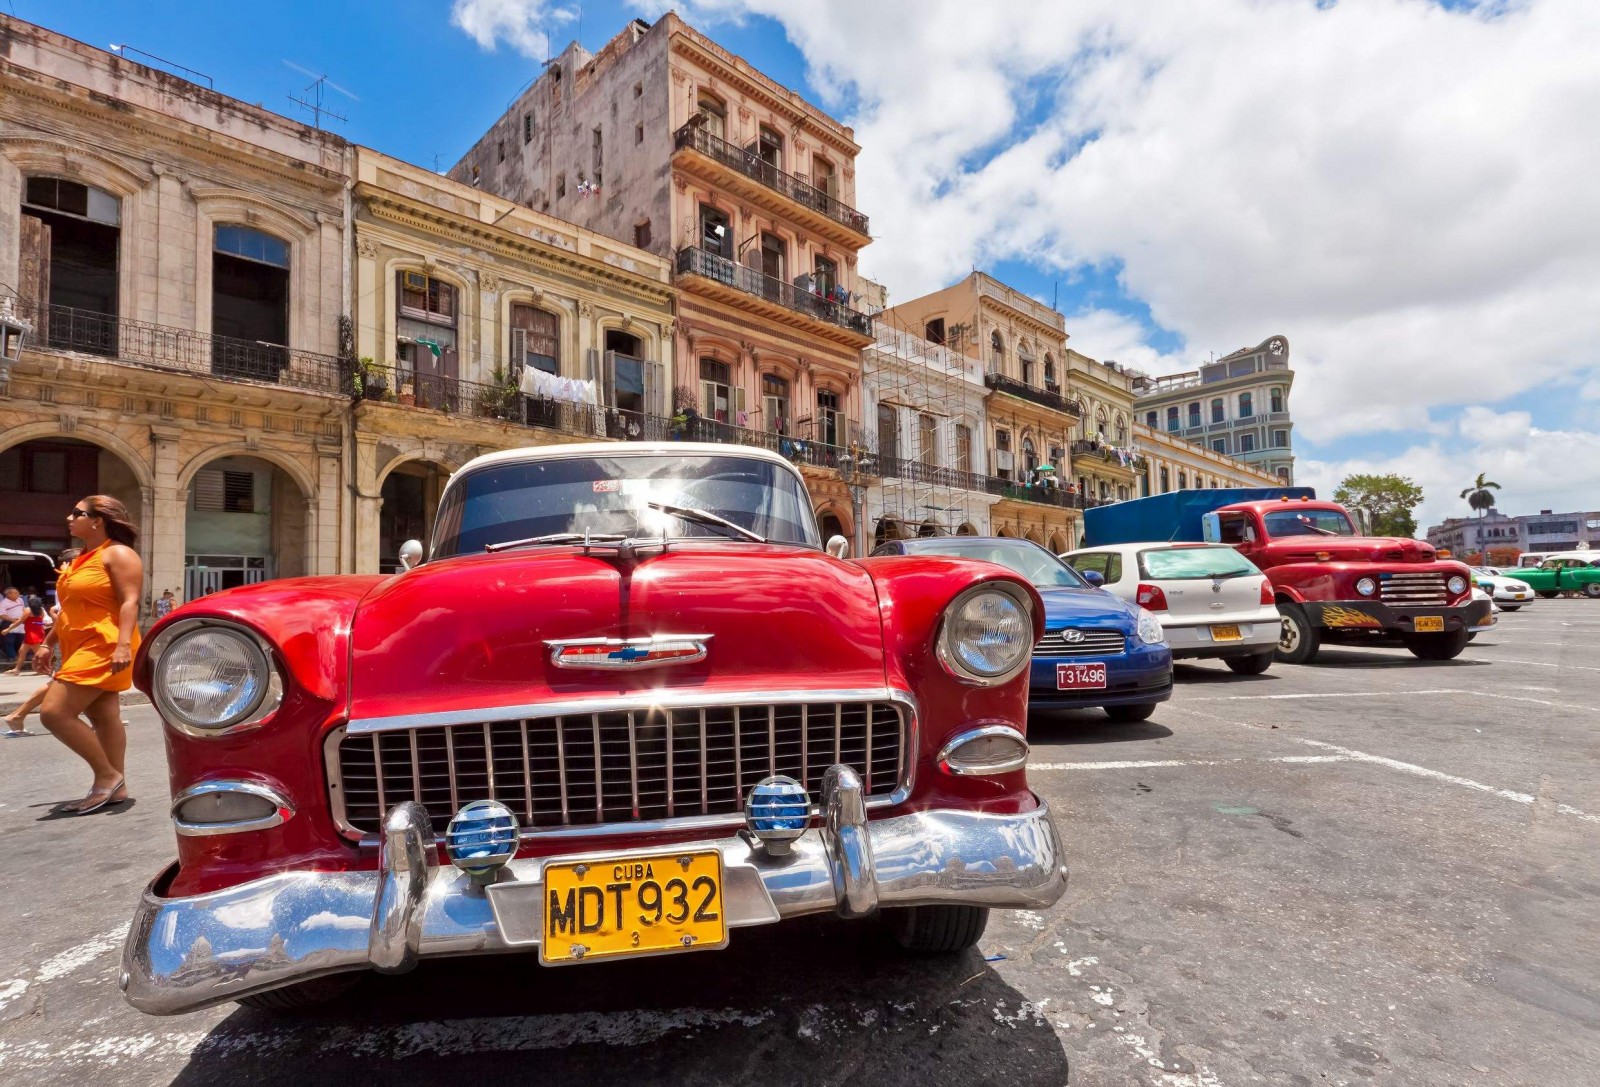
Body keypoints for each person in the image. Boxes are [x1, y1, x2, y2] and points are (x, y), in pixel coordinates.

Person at [38, 498, 143, 814]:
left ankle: (106, 776)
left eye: (78, 513)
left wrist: (123, 645)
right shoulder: (82, 558)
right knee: (103, 715)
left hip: (105, 643)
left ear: (98, 520)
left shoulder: (118, 554)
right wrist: (48, 643)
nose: (69, 517)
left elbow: (130, 602)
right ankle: (117, 786)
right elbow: (70, 609)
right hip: (78, 643)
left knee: (53, 712)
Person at [5, 550, 77, 738]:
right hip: (71, 640)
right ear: (71, 563)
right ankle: (18, 714)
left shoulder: (69, 583)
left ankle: (106, 719)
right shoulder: (69, 583)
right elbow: (63, 617)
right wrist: (47, 644)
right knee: (62, 680)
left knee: (82, 680)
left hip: (74, 639)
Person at [3, 596, 49, 676]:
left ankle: (45, 669)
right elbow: (37, 621)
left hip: (31, 634)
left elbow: (20, 621)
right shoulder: (40, 610)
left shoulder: (28, 610)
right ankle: (17, 669)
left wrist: (8, 629)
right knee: (22, 651)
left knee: (38, 654)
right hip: (36, 632)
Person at [0, 587, 24, 667]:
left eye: (18, 593)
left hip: (20, 622)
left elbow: (23, 610)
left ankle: (22, 656)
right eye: (16, 593)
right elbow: (2, 615)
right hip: (9, 622)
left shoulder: (20, 600)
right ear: (9, 594)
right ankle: (11, 656)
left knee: (21, 639)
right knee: (9, 640)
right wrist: (13, 620)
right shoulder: (4, 603)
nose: (18, 594)